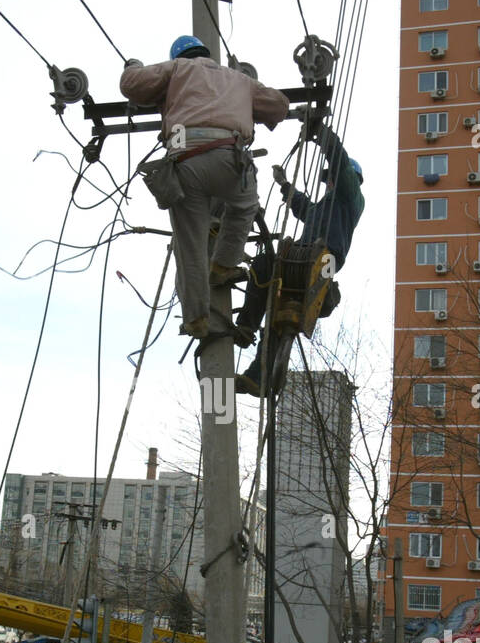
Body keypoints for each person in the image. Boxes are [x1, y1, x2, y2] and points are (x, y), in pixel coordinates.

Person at [120, 36, 289, 341]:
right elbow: (279, 106)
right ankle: (224, 264)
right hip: (231, 157)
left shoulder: (175, 69)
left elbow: (132, 84)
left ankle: (197, 318)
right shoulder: (238, 79)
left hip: (185, 162)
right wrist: (247, 96)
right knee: (244, 207)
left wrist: (133, 64)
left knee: (191, 244)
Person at [235, 119, 365, 396]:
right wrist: (285, 186)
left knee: (291, 309)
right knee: (267, 276)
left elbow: (340, 162)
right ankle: (251, 346)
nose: (328, 180)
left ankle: (262, 368)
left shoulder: (351, 199)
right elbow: (304, 207)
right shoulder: (322, 207)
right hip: (301, 258)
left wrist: (321, 134)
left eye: (332, 176)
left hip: (325, 261)